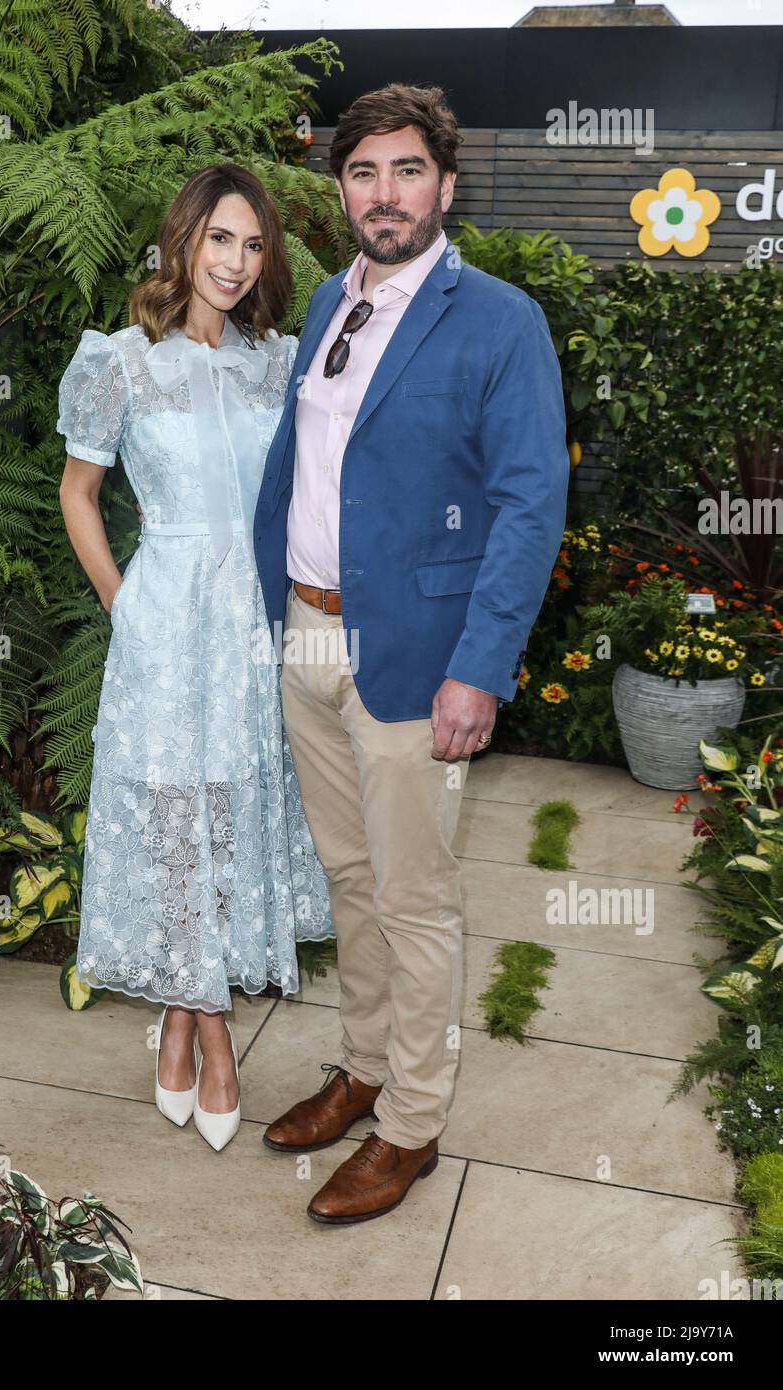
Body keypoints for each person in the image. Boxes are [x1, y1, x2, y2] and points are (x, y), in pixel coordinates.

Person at [253, 83, 569, 1222]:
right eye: (362, 173)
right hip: (306, 627)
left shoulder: (497, 319)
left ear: (444, 184)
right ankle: (365, 1065)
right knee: (350, 880)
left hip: (420, 650)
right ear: (341, 190)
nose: (383, 195)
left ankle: (413, 1124)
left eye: (405, 172)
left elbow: (531, 504)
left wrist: (479, 667)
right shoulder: (328, 303)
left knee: (416, 895)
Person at [57, 164, 333, 1153]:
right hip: (164, 622)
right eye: (222, 238)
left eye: (254, 245)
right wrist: (124, 603)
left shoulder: (279, 363)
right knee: (178, 819)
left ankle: (177, 1019)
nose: (236, 261)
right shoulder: (122, 363)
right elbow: (78, 494)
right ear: (184, 241)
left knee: (224, 819)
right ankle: (219, 1045)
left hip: (251, 630)